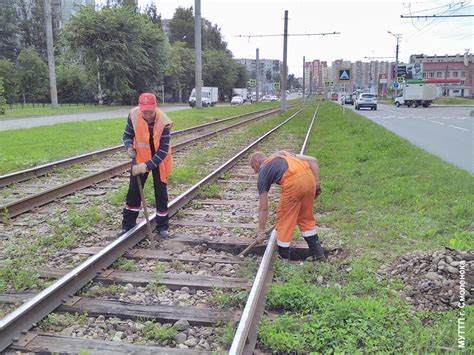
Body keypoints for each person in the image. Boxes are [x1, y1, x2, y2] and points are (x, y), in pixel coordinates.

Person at [250, 150, 325, 261]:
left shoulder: (263, 172)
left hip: (293, 183)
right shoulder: (283, 153)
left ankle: (284, 258)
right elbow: (313, 161)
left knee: (284, 220)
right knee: (305, 218)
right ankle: (319, 256)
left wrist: (261, 230)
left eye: (253, 168)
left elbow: (263, 208)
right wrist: (317, 185)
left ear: (257, 162)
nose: (256, 172)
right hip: (310, 179)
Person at [118, 92, 173, 238]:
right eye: (144, 111)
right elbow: (127, 135)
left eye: (150, 111)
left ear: (155, 107)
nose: (147, 115)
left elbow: (163, 151)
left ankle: (162, 227)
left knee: (161, 193)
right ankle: (128, 225)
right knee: (134, 192)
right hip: (140, 158)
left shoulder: (164, 122)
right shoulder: (133, 114)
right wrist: (129, 146)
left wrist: (147, 166)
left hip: (159, 160)